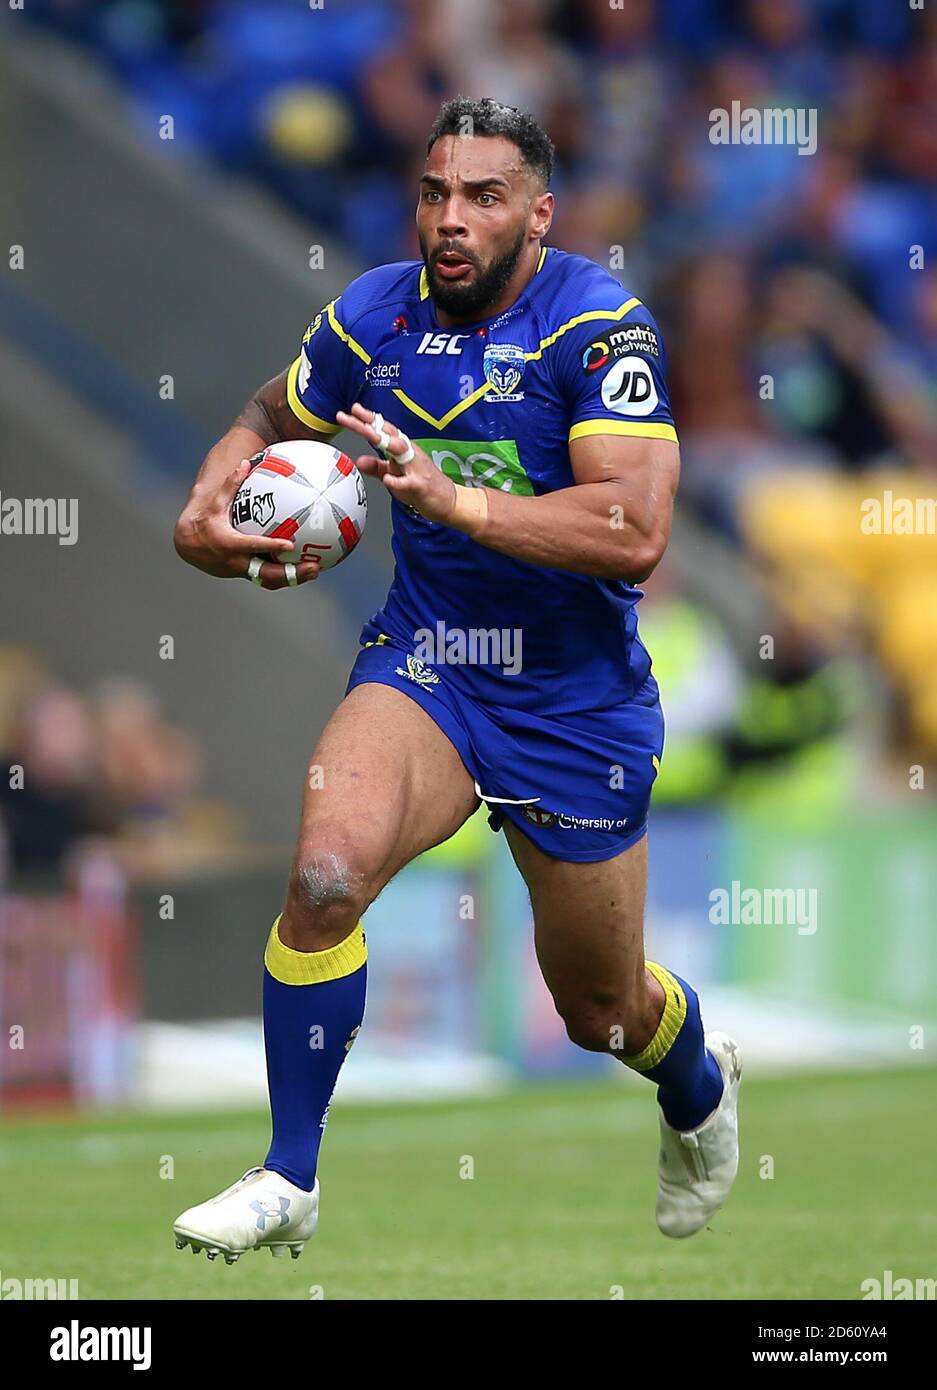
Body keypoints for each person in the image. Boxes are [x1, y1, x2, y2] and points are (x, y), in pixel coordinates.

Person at [171, 97, 741, 1263]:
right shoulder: (371, 315)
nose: (449, 218)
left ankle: (695, 1083)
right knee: (327, 873)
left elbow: (632, 528)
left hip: (574, 702)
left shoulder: (598, 327)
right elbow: (267, 414)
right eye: (435, 192)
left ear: (540, 214)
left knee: (601, 1010)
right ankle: (290, 1171)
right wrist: (208, 505)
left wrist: (455, 499)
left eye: (483, 197)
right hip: (429, 664)